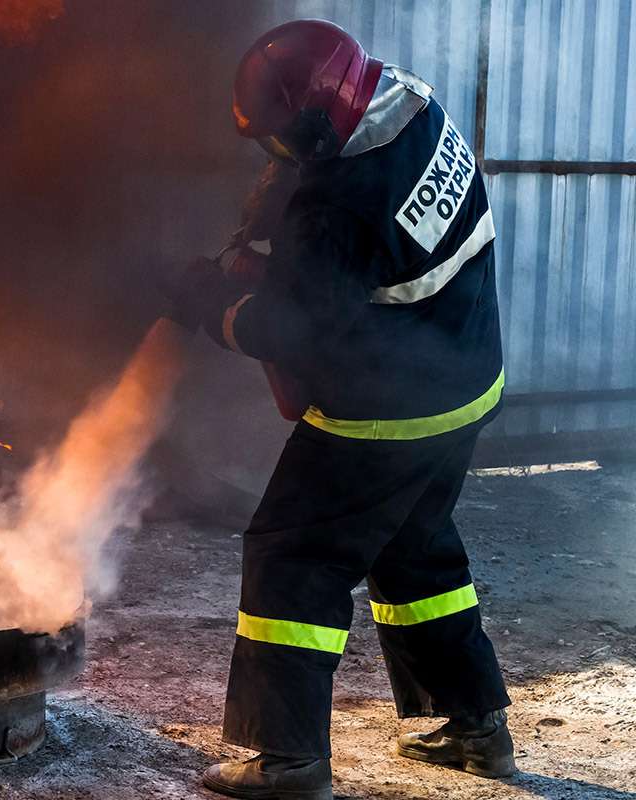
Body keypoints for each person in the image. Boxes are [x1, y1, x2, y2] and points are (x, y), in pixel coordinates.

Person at [170, 19, 517, 800]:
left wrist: (214, 306)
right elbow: (331, 214)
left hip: (385, 410)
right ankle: (477, 731)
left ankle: (287, 762)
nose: (274, 157)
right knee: (414, 551)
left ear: (316, 127)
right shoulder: (405, 100)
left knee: (293, 554)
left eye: (280, 144)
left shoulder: (339, 208)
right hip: (465, 377)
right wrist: (274, 218)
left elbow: (293, 330)